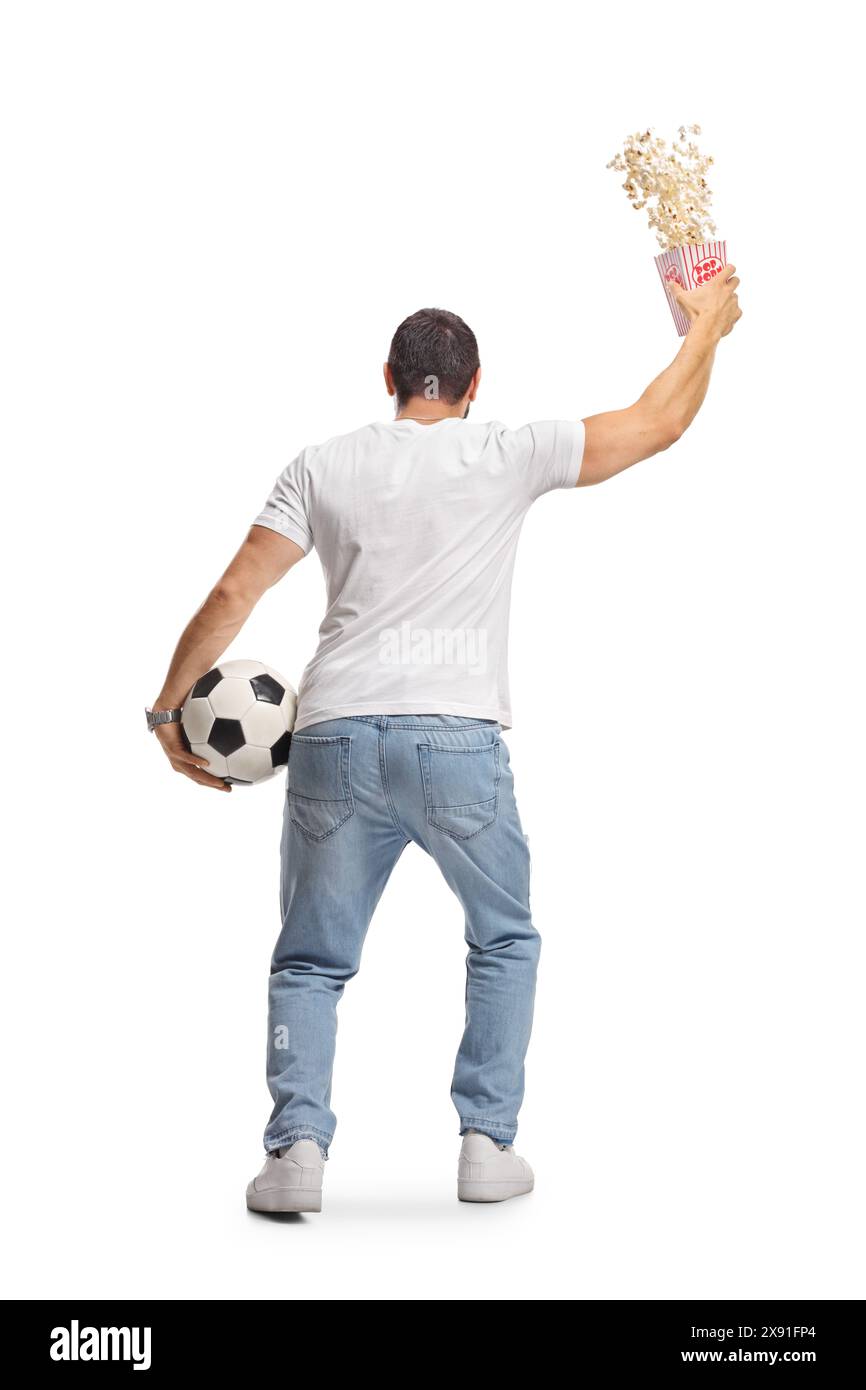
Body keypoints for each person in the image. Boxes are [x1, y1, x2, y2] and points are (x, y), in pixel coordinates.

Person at [148, 271, 742, 1212]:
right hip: (457, 745)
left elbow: (233, 595)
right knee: (503, 938)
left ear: (389, 376)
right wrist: (708, 329)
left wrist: (169, 711)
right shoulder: (504, 450)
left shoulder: (322, 463)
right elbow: (658, 423)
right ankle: (484, 1144)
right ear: (475, 386)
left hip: (334, 738)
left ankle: (294, 1156)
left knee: (309, 959)